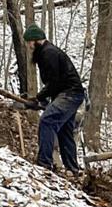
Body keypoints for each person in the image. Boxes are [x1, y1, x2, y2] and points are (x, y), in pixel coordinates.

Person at [24, 24, 83, 174]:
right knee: (64, 130)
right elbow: (54, 83)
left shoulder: (48, 53)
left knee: (47, 121)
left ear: (36, 41)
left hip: (69, 93)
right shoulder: (48, 52)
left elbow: (54, 81)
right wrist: (43, 99)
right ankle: (72, 169)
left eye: (30, 43)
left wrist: (39, 98)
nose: (29, 47)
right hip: (70, 94)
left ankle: (44, 163)